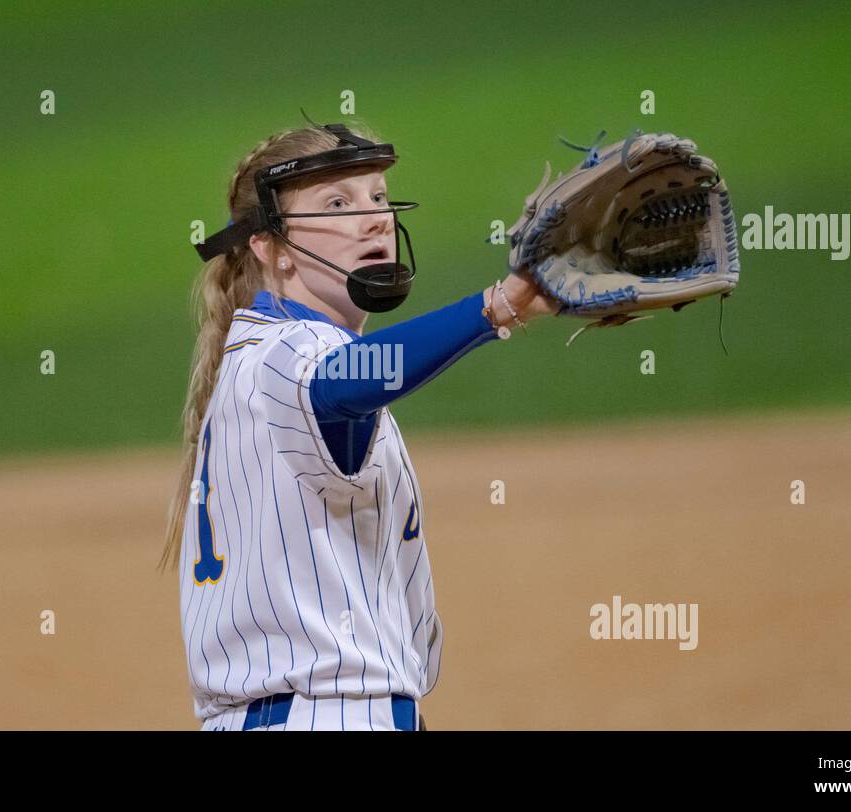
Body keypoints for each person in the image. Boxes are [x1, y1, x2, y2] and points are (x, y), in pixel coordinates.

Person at [161, 119, 558, 730]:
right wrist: (497, 307)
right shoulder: (285, 355)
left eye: (378, 197)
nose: (374, 218)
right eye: (337, 204)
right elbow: (349, 379)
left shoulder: (264, 355)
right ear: (270, 246)